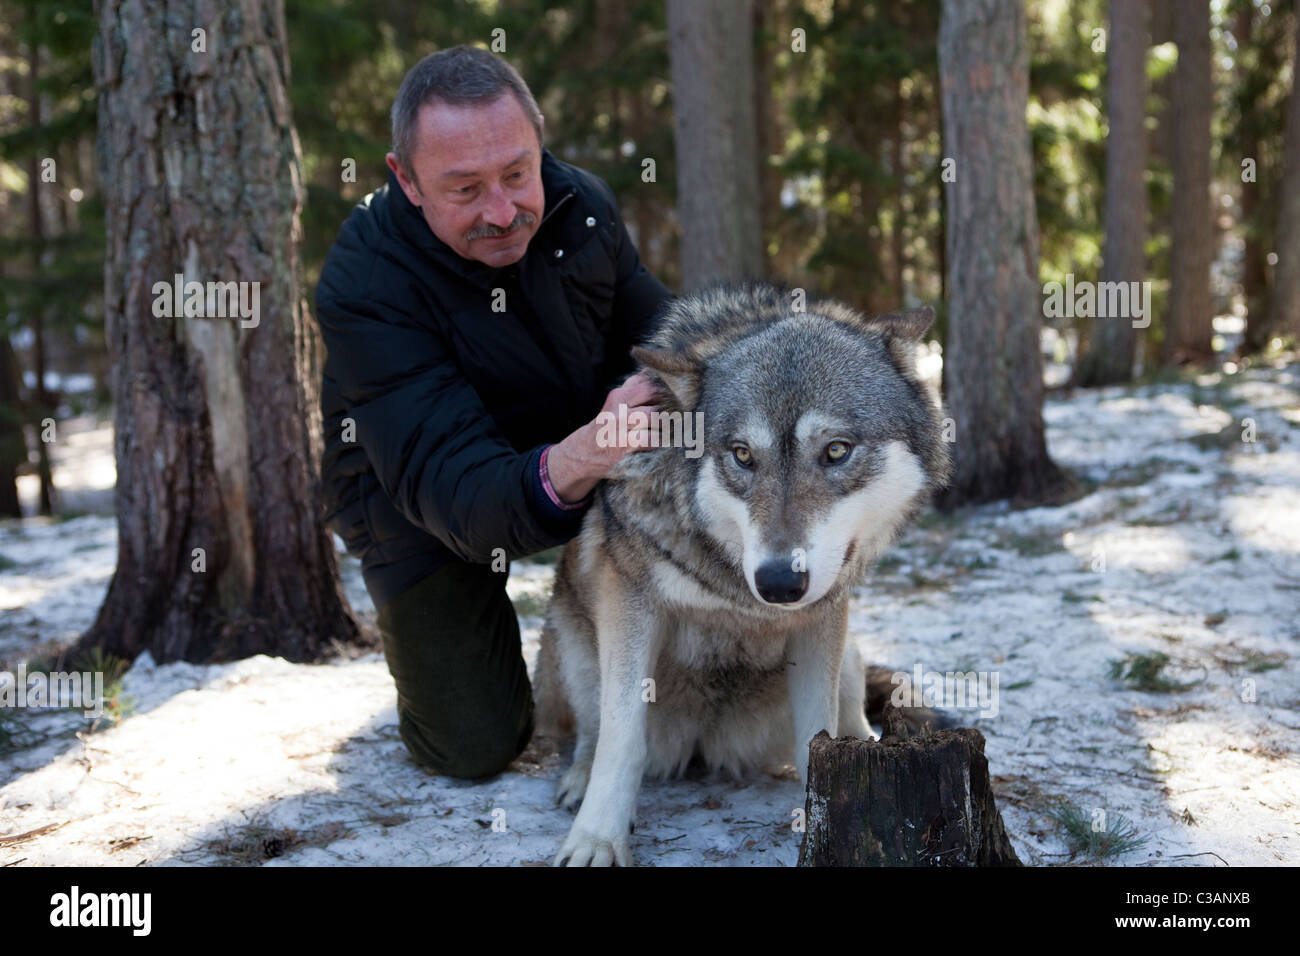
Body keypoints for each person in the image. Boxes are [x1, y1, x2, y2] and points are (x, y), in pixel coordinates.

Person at [316, 45, 673, 779]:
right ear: (406, 180)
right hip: (420, 497)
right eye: (466, 189)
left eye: (517, 173)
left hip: (570, 441)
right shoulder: (364, 283)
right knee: (474, 743)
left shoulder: (581, 207)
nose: (503, 212)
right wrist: (587, 453)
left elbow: (665, 336)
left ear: (539, 143)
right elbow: (458, 493)